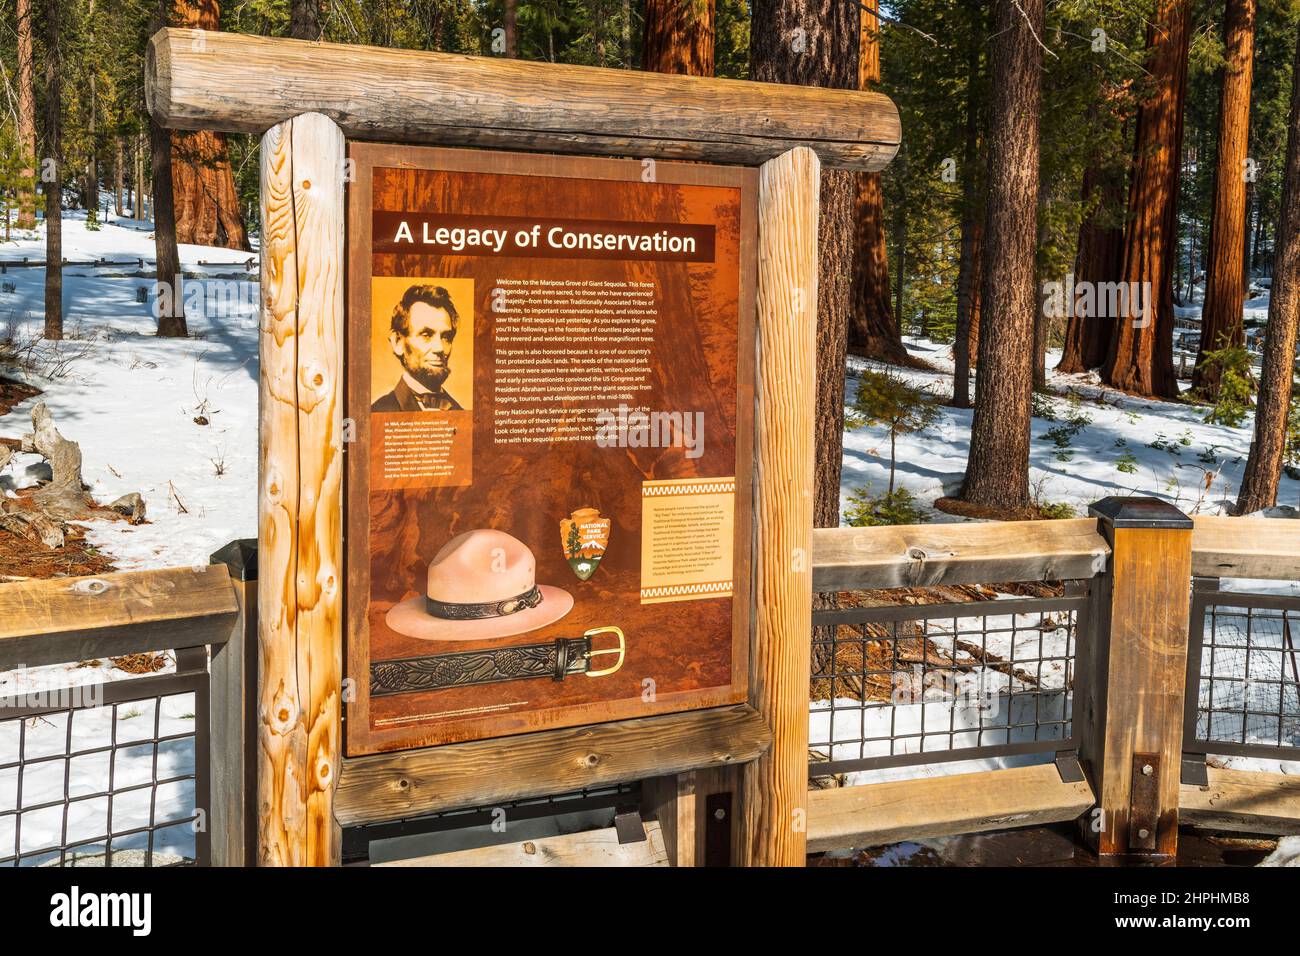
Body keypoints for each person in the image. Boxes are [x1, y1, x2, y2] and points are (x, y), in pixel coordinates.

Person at [372, 284, 464, 412]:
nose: (439, 348)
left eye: (446, 337)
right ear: (398, 342)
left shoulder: (462, 414)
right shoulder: (377, 413)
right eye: (426, 335)